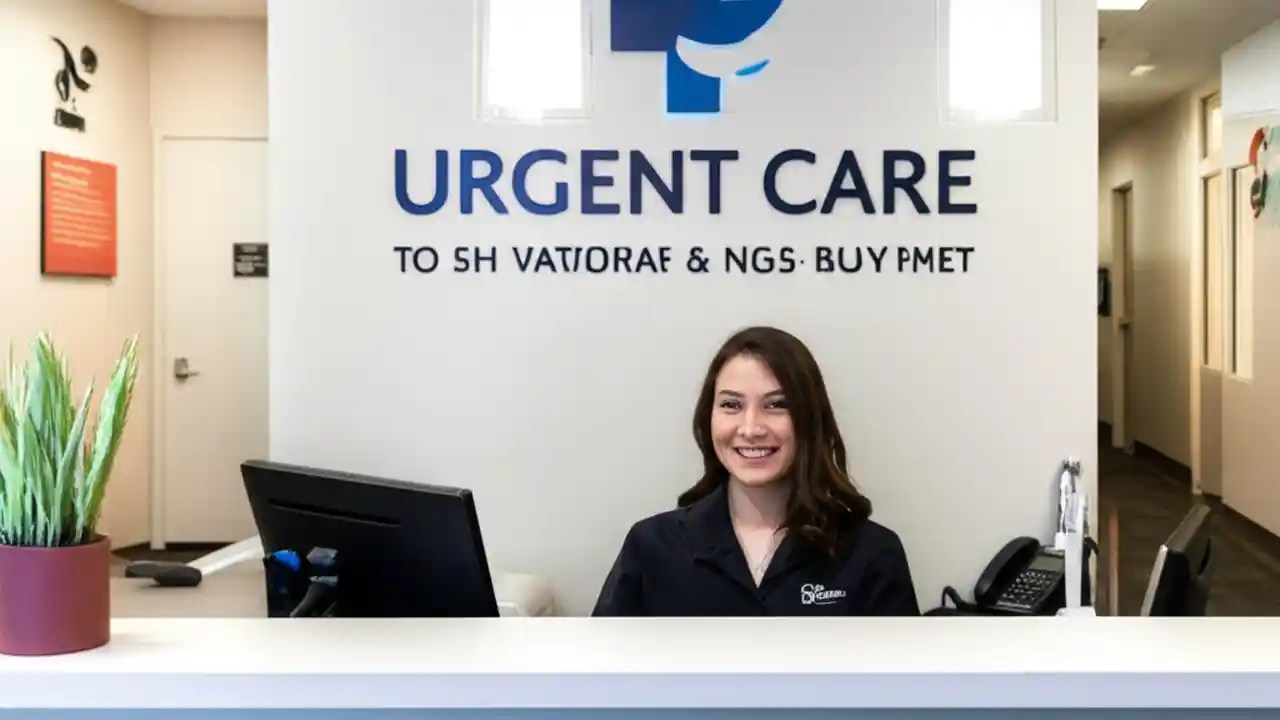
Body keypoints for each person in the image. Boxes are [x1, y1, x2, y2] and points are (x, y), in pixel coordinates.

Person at [592, 326, 919, 616]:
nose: (750, 428)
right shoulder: (652, 547)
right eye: (731, 405)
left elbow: (902, 685)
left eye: (777, 404)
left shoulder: (871, 552)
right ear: (709, 418)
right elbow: (601, 679)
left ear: (810, 419)